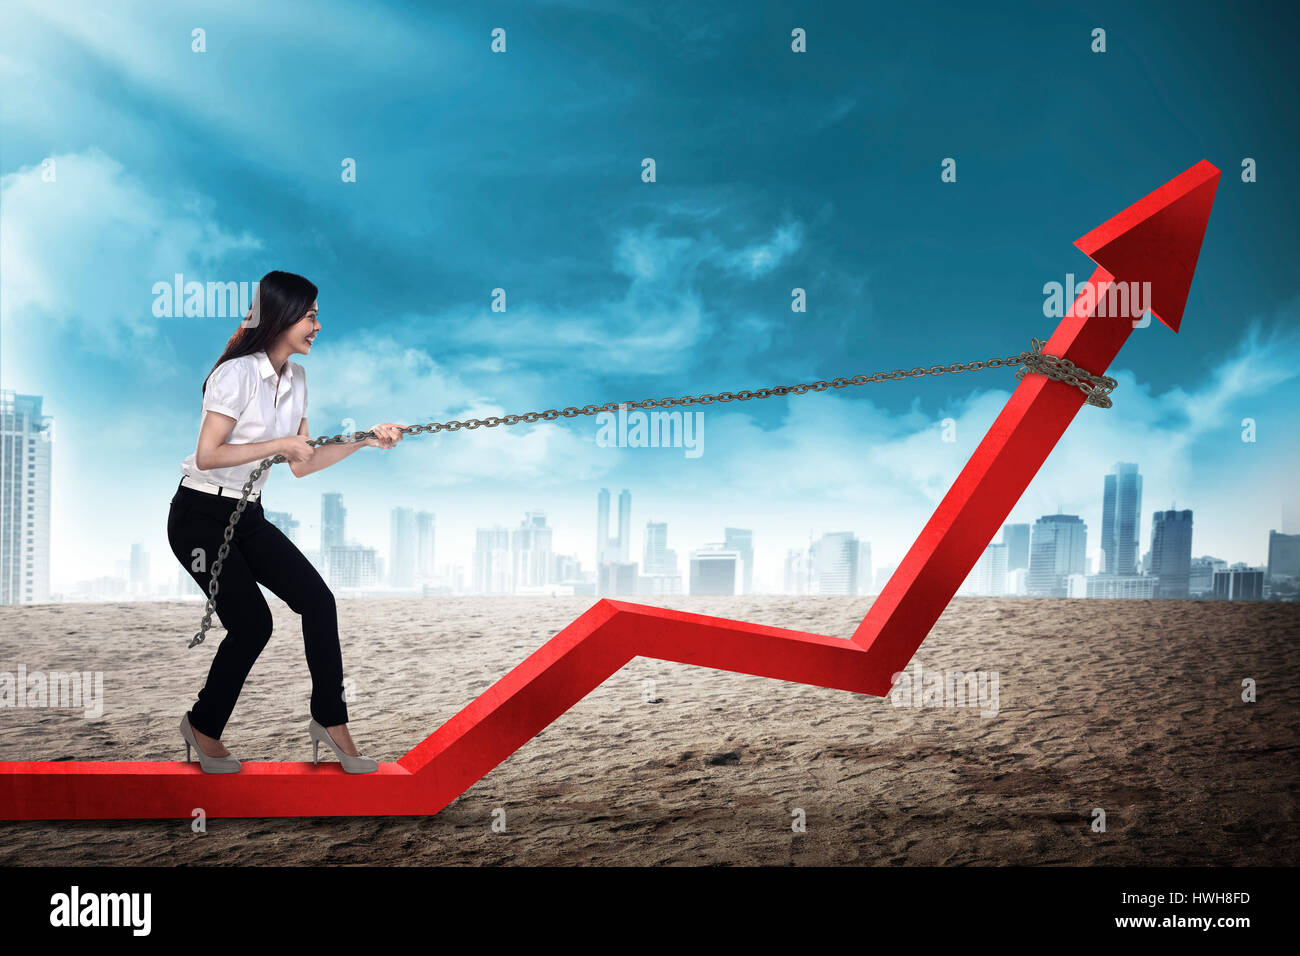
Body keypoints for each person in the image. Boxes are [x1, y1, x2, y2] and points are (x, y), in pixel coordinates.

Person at [169, 270, 405, 773]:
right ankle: (203, 725)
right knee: (252, 625)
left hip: (246, 516)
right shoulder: (236, 374)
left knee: (318, 601)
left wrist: (365, 439)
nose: (318, 325)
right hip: (199, 517)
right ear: (281, 317)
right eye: (310, 315)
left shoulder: (296, 378)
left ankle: (330, 719)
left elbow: (303, 463)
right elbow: (208, 455)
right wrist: (279, 444)